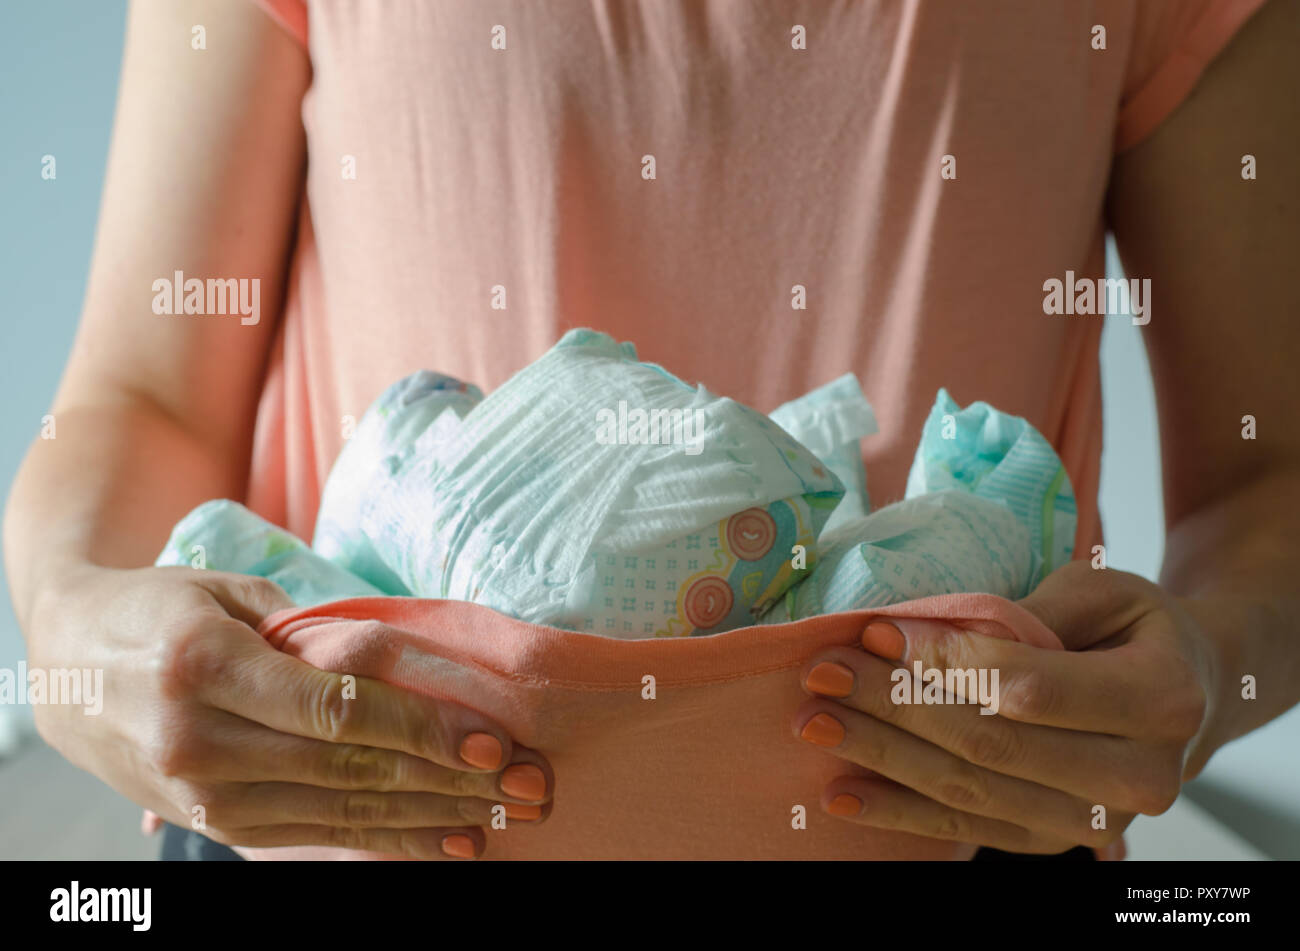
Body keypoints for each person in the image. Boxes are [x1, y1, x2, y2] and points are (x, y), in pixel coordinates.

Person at [4, 0, 1297, 861]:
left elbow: (1271, 478)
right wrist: (72, 639)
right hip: (341, 829)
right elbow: (147, 397)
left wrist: (1199, 684)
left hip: (946, 831)